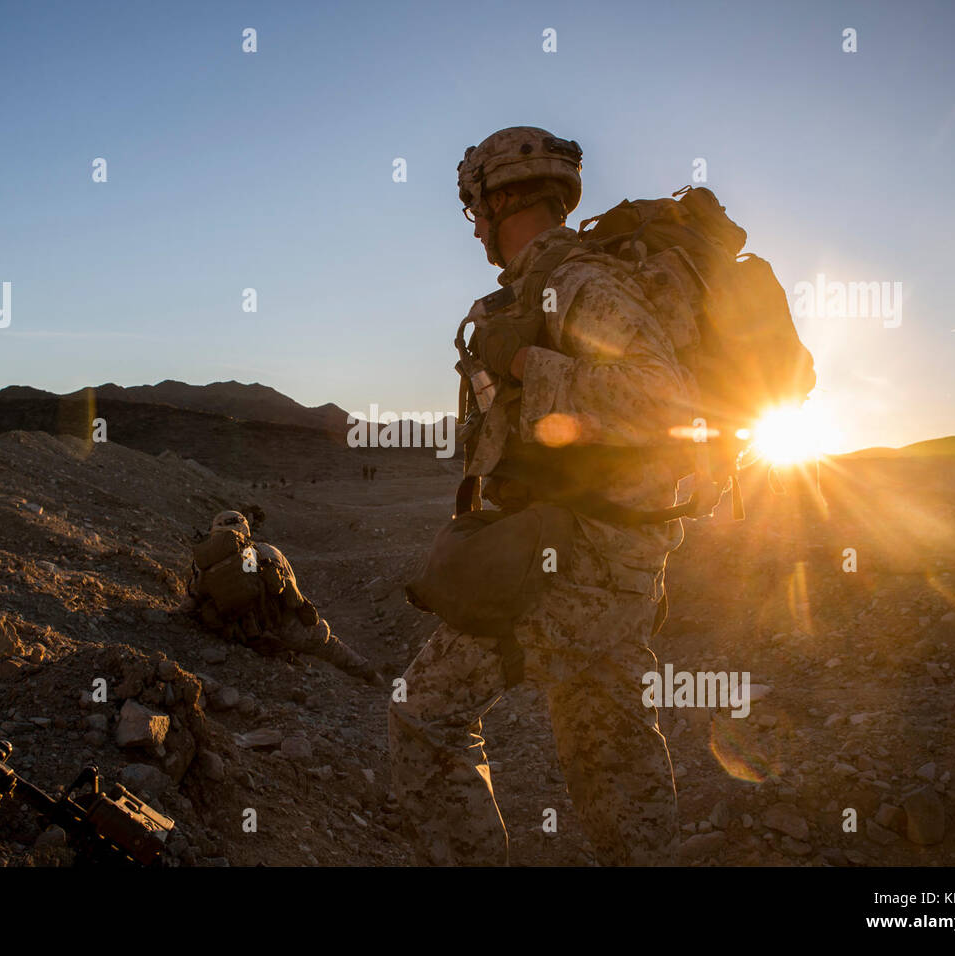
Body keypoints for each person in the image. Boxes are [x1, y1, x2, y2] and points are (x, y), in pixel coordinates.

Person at [388, 126, 704, 865]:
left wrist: (528, 361)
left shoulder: (581, 284)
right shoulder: (540, 286)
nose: (476, 233)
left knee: (422, 716)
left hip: (582, 565)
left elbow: (667, 404)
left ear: (500, 204)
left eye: (477, 213)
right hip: (602, 564)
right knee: (610, 757)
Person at [183, 511, 383, 685]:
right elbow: (291, 594)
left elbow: (192, 601)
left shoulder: (204, 565)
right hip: (284, 627)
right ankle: (371, 676)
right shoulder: (265, 551)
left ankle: (286, 658)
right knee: (327, 643)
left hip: (242, 635)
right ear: (244, 528)